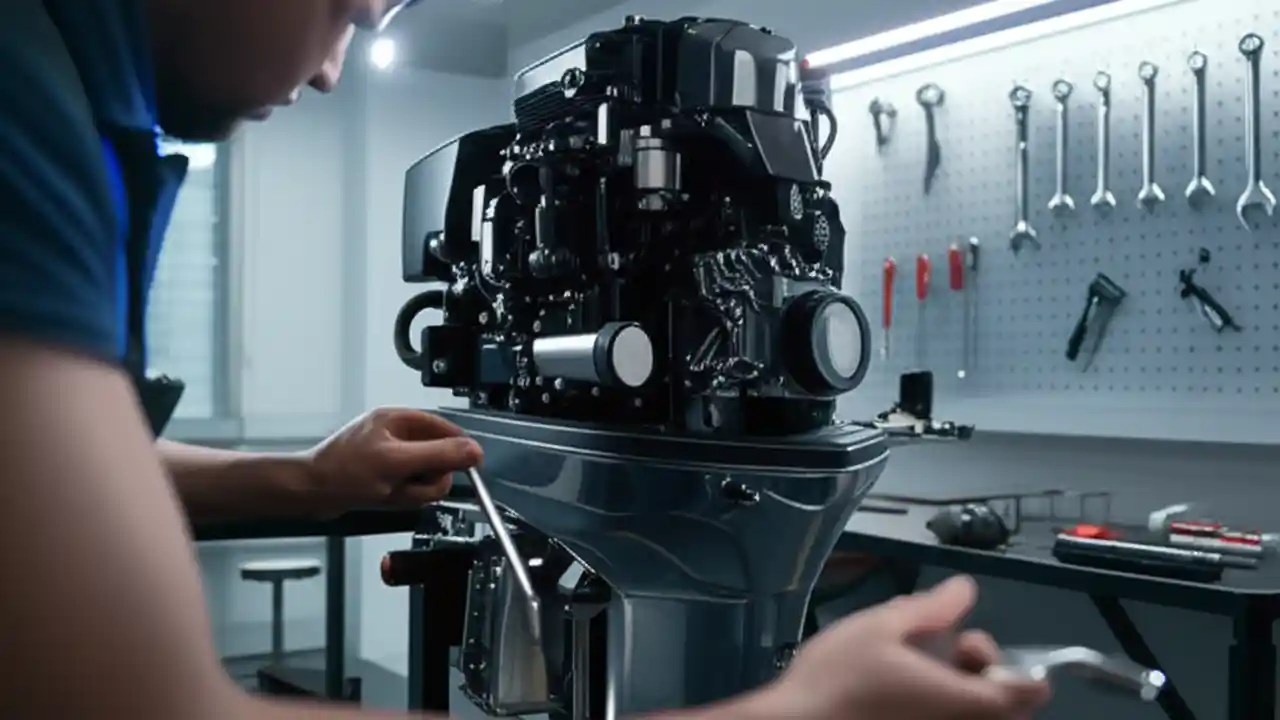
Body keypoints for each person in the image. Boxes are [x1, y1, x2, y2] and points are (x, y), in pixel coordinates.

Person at [0, 1, 1051, 717]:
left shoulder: (62, 96)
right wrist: (789, 708)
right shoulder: (19, 113)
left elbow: (50, 485)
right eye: (347, 11)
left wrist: (301, 479)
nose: (329, 68)